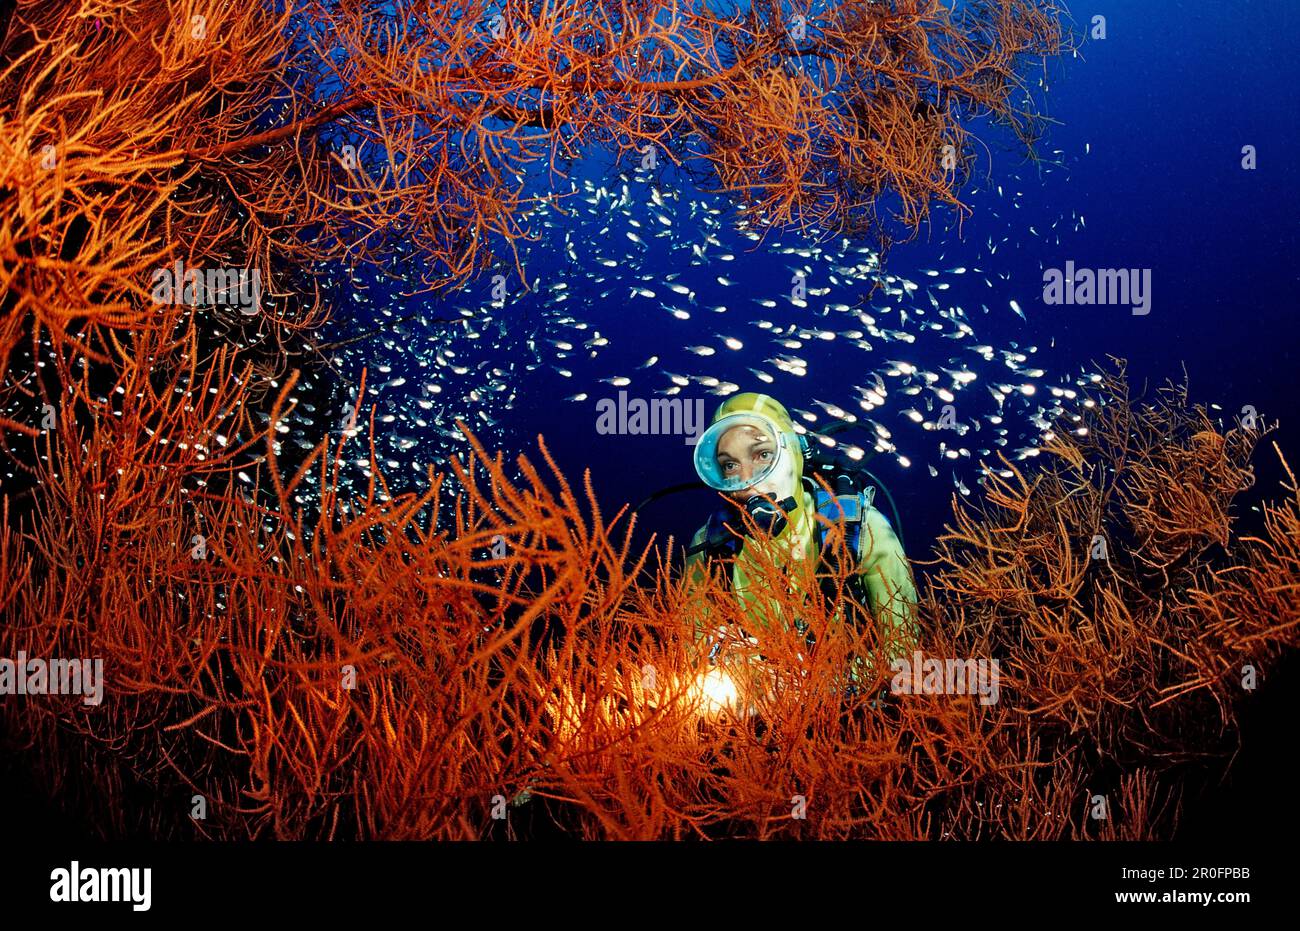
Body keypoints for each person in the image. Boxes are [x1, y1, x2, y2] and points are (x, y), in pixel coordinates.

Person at [682, 393, 920, 697]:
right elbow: (691, 648)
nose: (746, 480)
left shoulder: (865, 531)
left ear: (792, 453)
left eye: (762, 455)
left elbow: (903, 652)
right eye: (729, 465)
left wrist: (820, 689)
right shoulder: (710, 544)